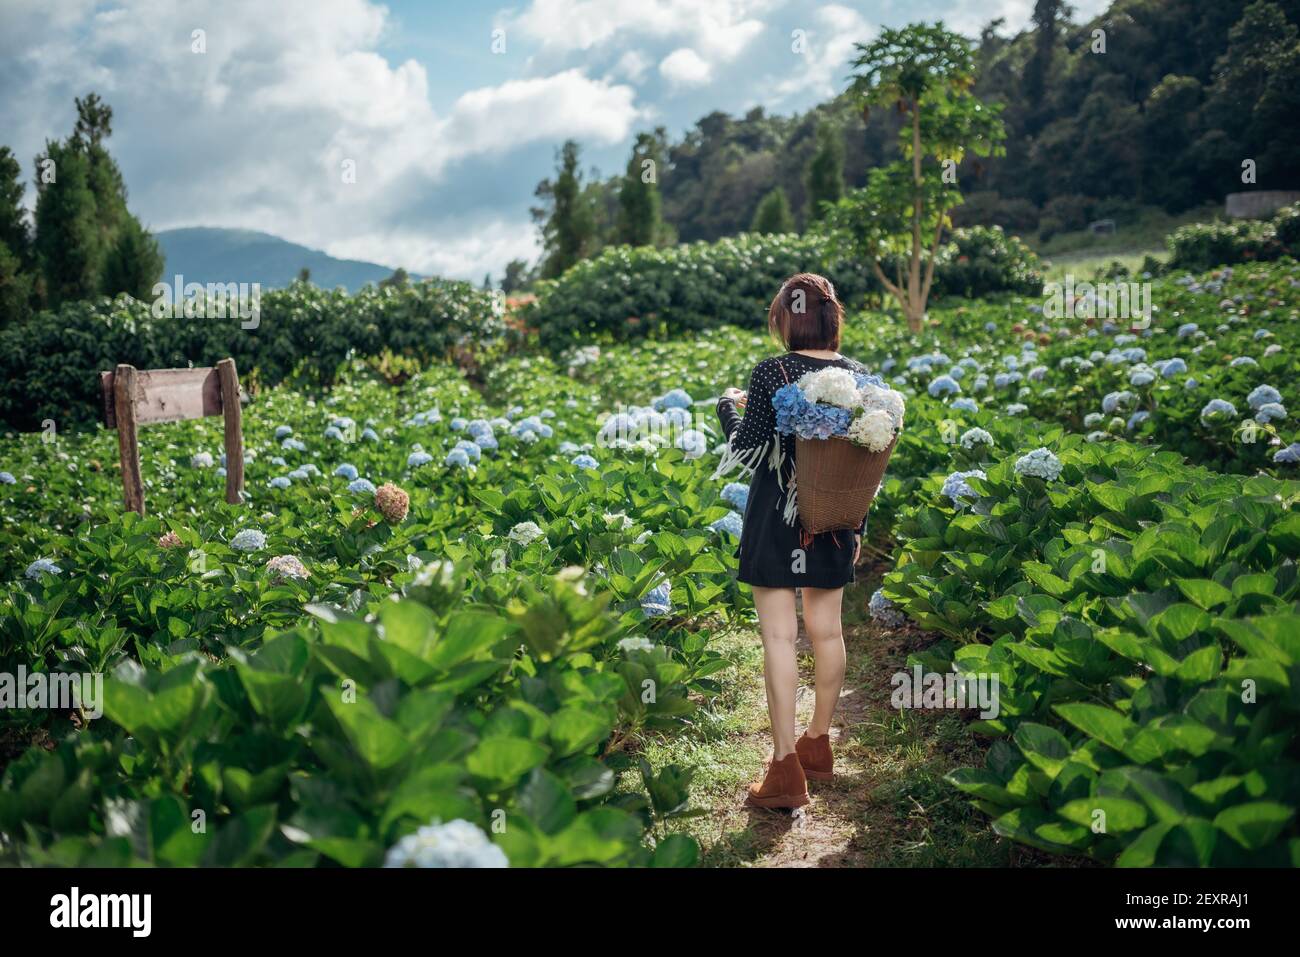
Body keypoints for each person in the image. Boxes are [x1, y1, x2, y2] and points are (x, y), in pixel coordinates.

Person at [714, 272, 869, 810]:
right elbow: (865, 462)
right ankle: (819, 744)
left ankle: (784, 770)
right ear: (831, 318)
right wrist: (856, 528)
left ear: (787, 319)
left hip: (776, 520)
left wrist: (727, 409)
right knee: (828, 634)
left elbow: (751, 452)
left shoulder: (772, 371)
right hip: (833, 518)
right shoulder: (859, 376)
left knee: (779, 639)